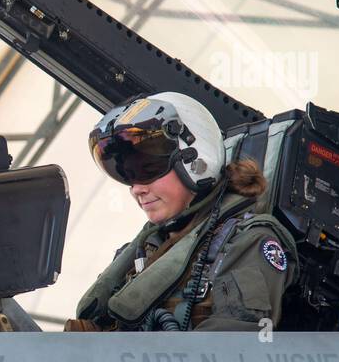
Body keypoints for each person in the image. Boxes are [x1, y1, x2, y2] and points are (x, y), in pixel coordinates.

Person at [64, 92, 296, 332]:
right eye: (129, 176)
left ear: (196, 160)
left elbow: (229, 352)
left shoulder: (249, 242)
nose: (137, 190)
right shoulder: (149, 248)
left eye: (148, 170)